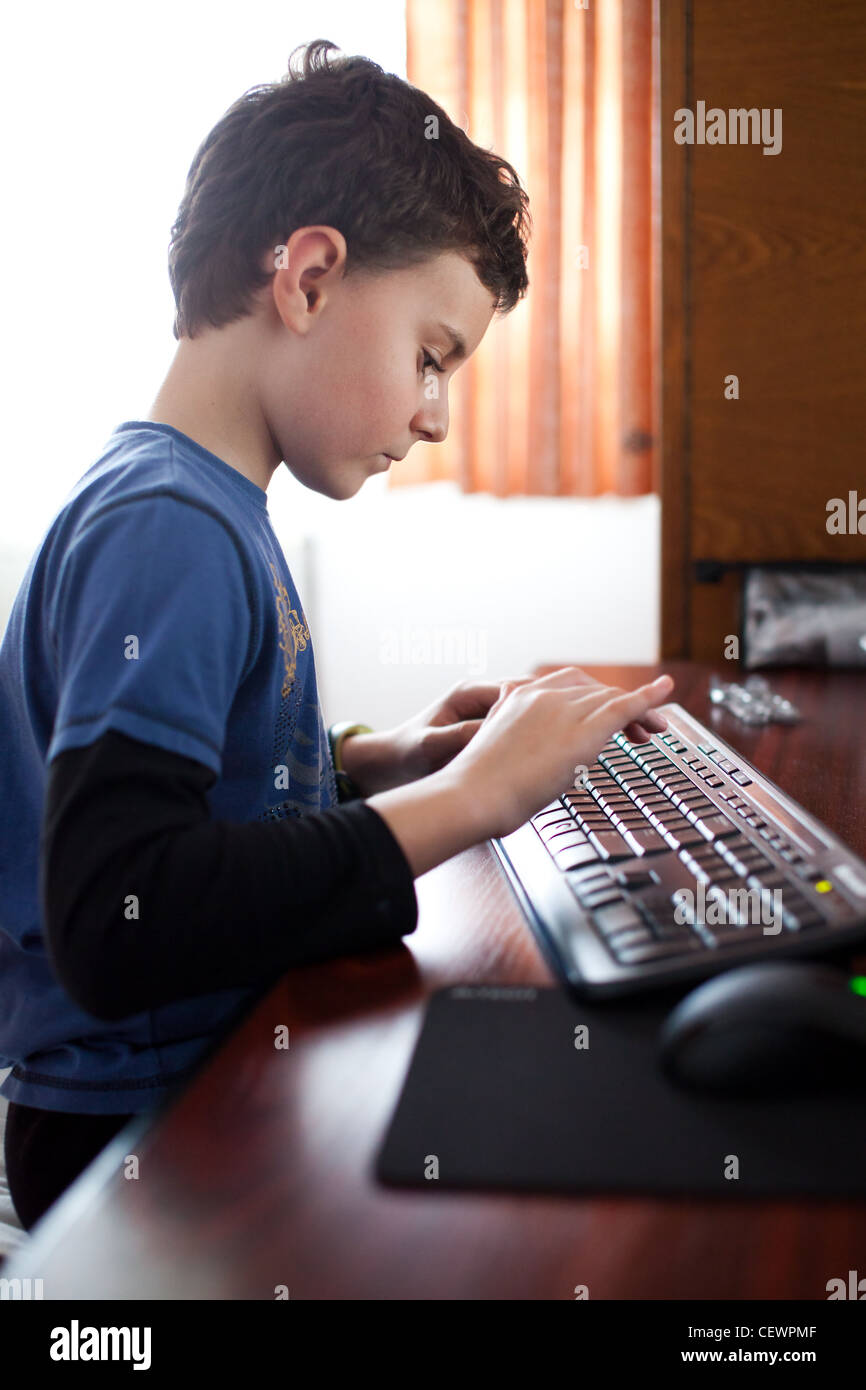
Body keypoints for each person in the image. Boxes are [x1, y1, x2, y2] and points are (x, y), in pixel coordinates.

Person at [0, 39, 672, 1232]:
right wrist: (471, 801)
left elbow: (193, 787)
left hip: (162, 1091)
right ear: (307, 277)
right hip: (130, 1138)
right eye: (431, 357)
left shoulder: (193, 503)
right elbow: (117, 910)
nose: (434, 414)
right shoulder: (172, 531)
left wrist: (378, 758)